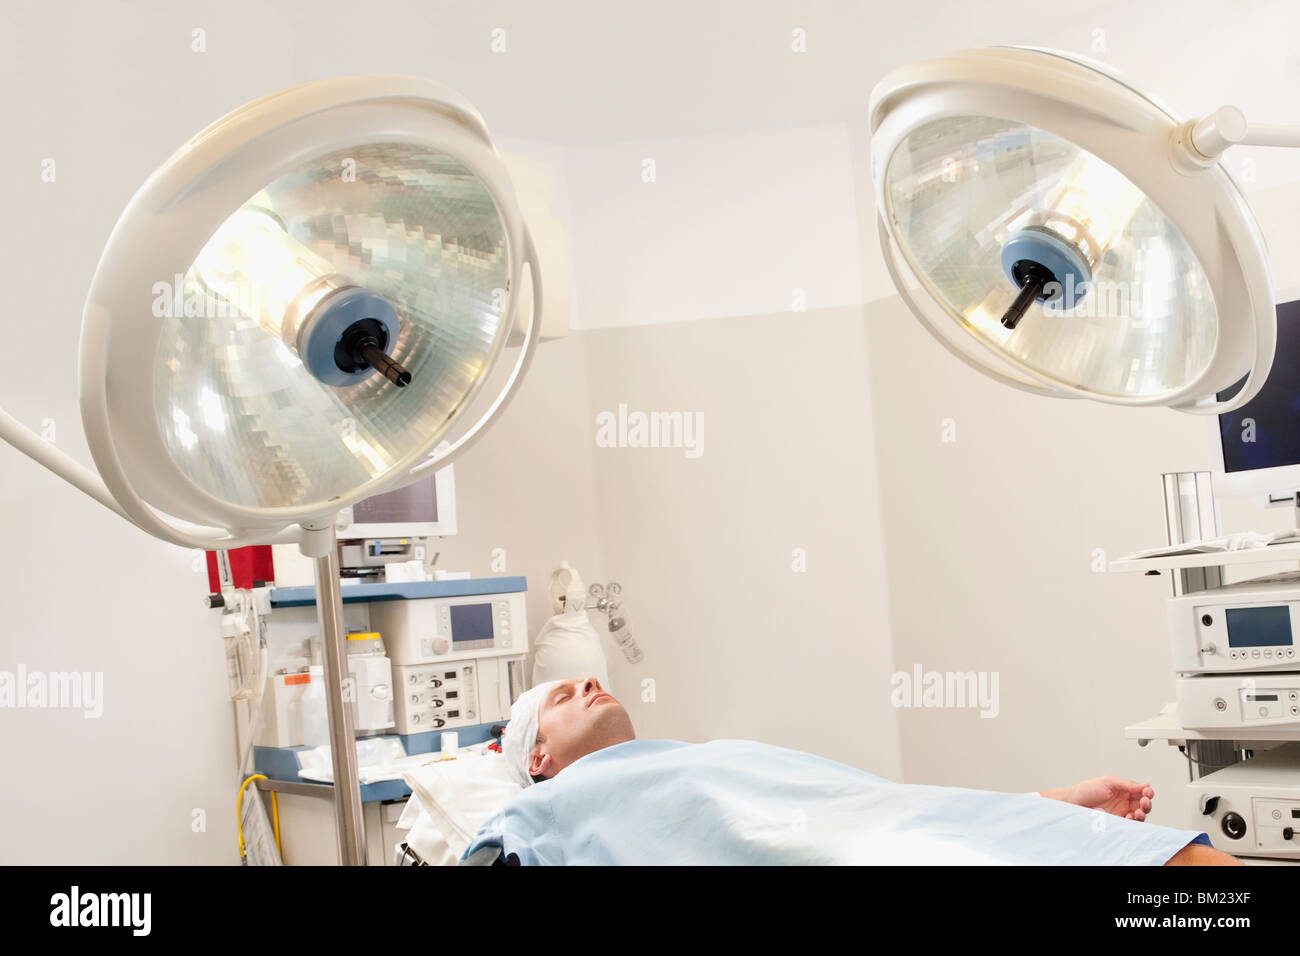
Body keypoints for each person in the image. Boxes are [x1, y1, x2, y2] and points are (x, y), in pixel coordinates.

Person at [464, 677, 1239, 866]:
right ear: (538, 758)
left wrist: (1054, 799)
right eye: (562, 698)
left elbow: (869, 807)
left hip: (921, 833)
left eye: (584, 678)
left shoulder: (710, 757)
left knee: (1196, 866)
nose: (587, 685)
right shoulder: (551, 808)